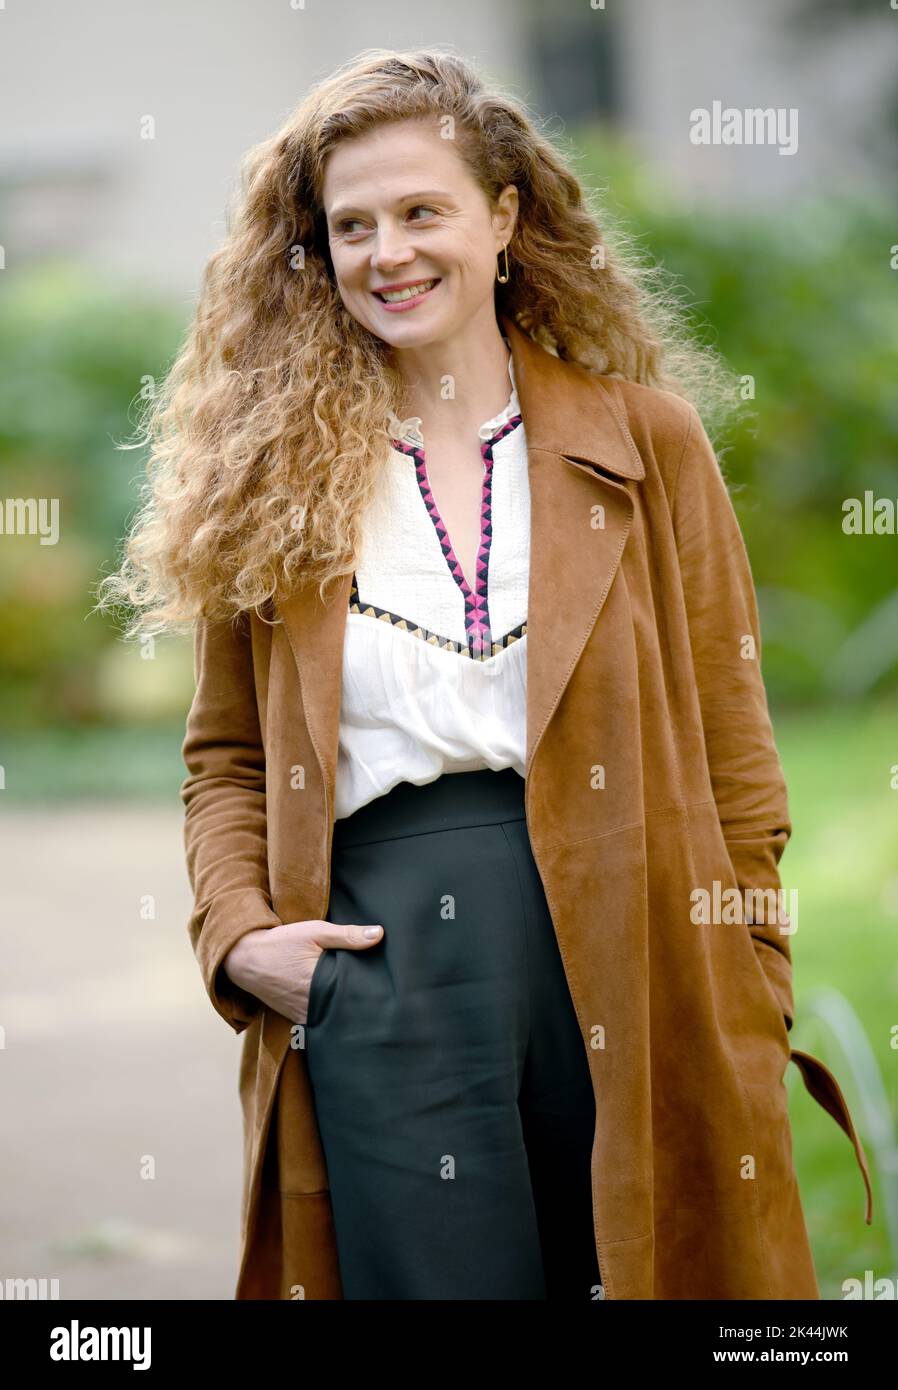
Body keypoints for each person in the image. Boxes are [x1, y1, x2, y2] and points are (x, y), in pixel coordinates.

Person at [98, 46, 872, 1301]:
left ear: (503, 219)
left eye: (419, 212)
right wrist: (242, 939)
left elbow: (736, 740)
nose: (386, 252)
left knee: (655, 1273)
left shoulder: (644, 442)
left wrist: (748, 973)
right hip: (386, 961)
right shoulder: (272, 485)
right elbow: (227, 760)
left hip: (636, 938)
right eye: (351, 226)